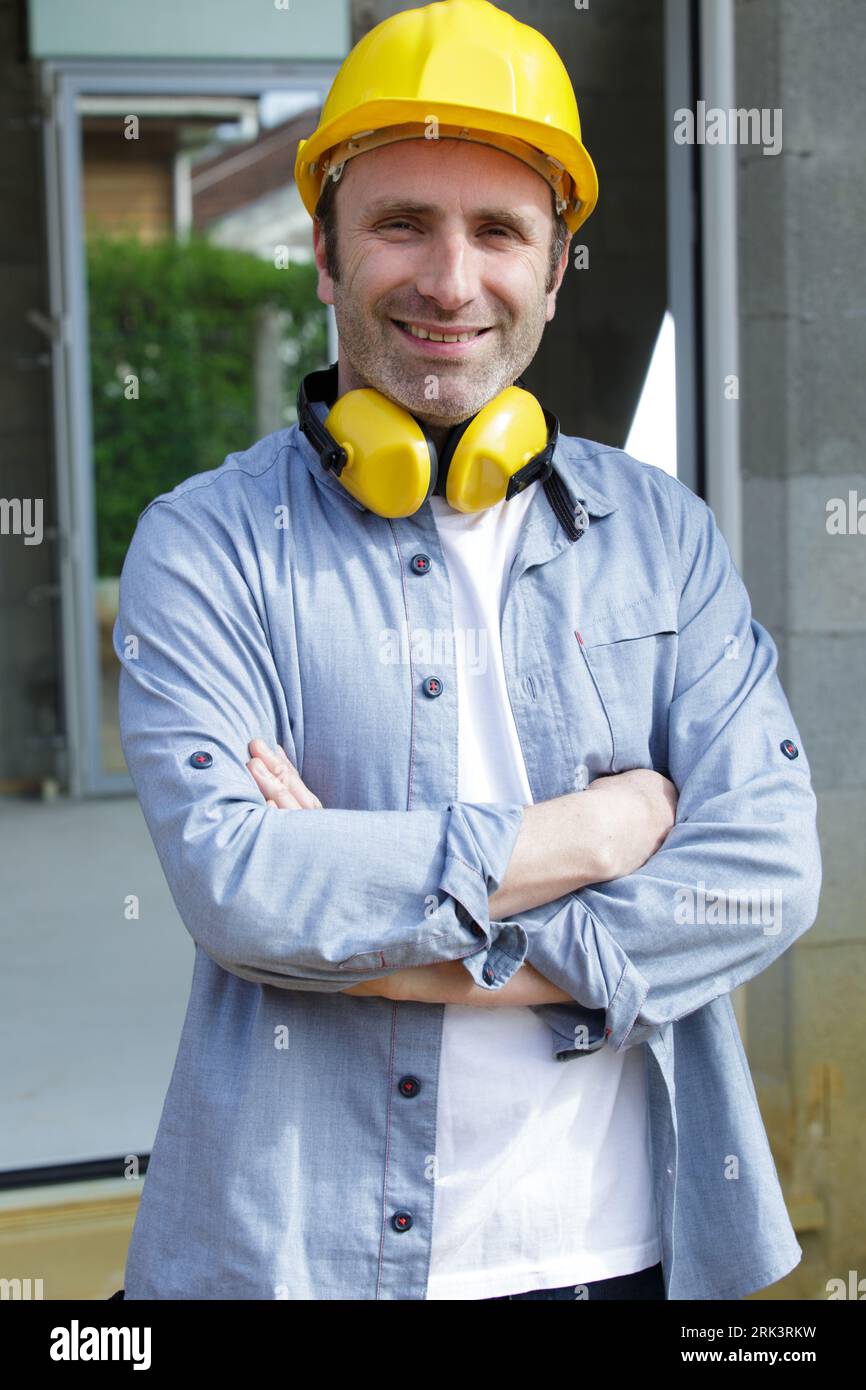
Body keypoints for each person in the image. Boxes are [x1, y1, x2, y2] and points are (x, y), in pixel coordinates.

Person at [113, 0, 821, 1300]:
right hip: (292, 1259)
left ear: (553, 272)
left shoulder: (659, 532)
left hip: (623, 1253)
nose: (450, 279)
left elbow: (766, 871)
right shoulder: (205, 543)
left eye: (498, 231)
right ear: (324, 257)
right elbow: (242, 885)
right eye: (401, 224)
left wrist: (394, 958)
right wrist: (593, 833)